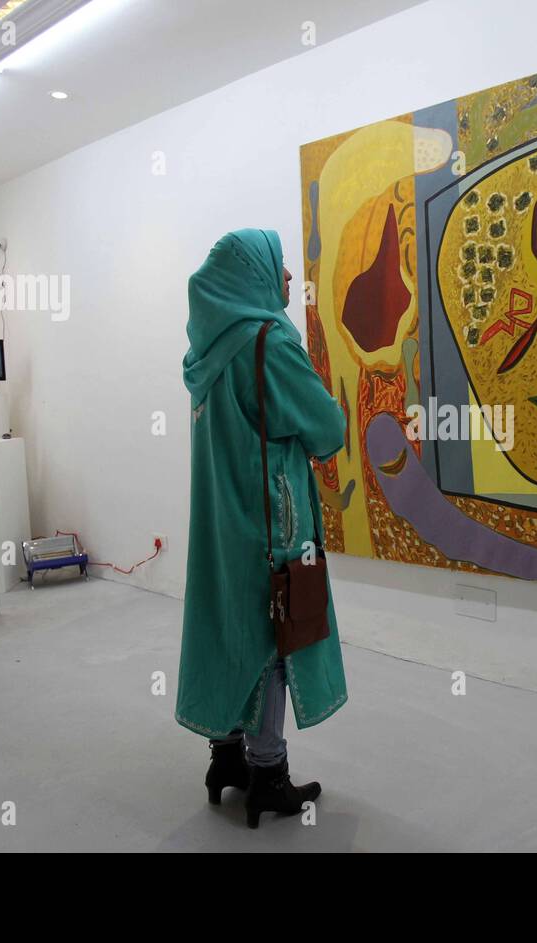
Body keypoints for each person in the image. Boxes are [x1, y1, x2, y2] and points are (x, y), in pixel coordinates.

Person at [177, 228, 347, 828]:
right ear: (254, 274)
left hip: (221, 524)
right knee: (278, 638)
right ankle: (268, 773)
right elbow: (327, 430)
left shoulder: (206, 350)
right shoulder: (271, 344)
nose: (290, 279)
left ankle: (225, 759)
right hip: (273, 521)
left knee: (227, 628)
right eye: (280, 267)